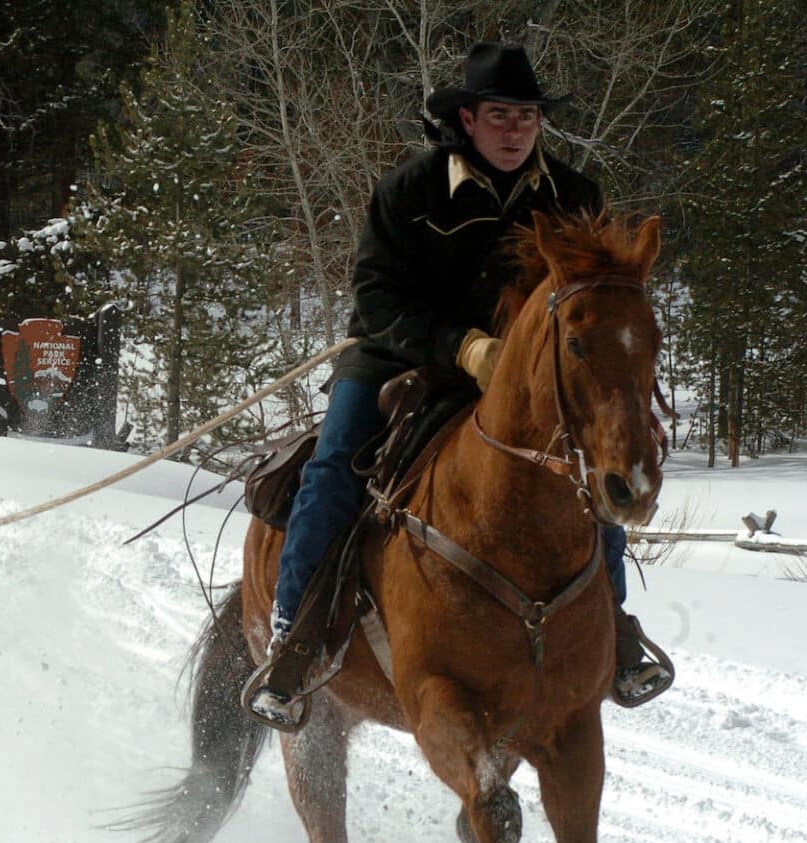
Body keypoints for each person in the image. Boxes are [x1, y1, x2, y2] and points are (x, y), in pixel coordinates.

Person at [244, 42, 673, 730]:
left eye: (527, 117)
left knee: (591, 474)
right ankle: (292, 644)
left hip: (526, 378)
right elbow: (376, 297)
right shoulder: (409, 192)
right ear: (467, 119)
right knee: (331, 468)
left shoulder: (573, 198)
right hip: (398, 359)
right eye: (500, 116)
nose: (515, 131)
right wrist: (462, 347)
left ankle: (613, 631)